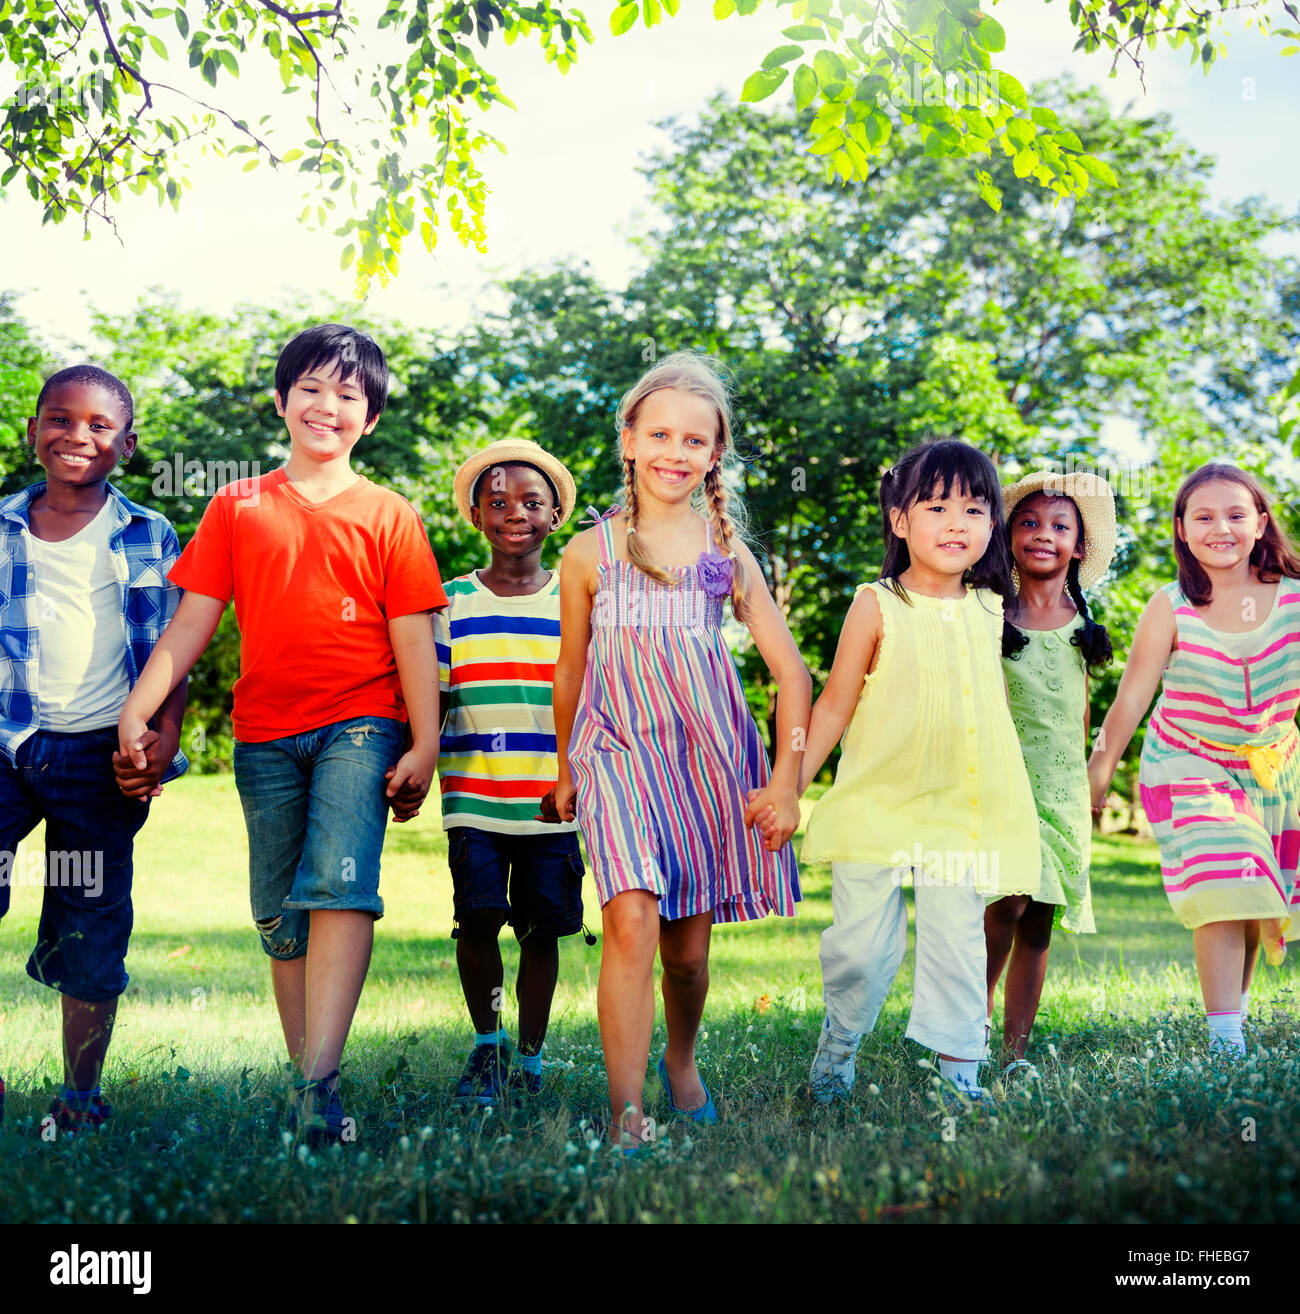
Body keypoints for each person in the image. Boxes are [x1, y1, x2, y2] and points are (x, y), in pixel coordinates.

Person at [118, 324, 446, 1142]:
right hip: (264, 734)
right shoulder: (238, 505)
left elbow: (413, 638)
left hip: (362, 725)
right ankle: (308, 1085)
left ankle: (321, 1084)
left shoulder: (391, 515)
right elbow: (193, 621)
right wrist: (142, 703)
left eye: (347, 395)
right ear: (280, 399)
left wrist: (425, 740)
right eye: (311, 388)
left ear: (368, 419)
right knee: (278, 910)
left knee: (339, 886)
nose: (326, 405)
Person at [546, 351, 808, 1149]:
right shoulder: (588, 553)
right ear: (627, 439)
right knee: (629, 917)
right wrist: (566, 763)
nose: (675, 450)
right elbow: (571, 665)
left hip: (707, 761)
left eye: (695, 440)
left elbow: (792, 675)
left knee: (687, 958)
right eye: (658, 432)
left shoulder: (724, 554)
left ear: (714, 455)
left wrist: (788, 782)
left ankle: (682, 1059)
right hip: (616, 752)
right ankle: (627, 1113)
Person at [796, 439, 1041, 1106]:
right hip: (879, 802)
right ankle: (837, 1052)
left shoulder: (994, 609)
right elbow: (834, 704)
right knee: (861, 952)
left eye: (973, 507)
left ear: (993, 525)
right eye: (936, 506)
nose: (956, 522)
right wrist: (787, 788)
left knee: (957, 941)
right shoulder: (876, 603)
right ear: (900, 520)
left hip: (959, 807)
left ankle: (959, 1079)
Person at [0, 364, 188, 1132]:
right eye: (60, 419)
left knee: (90, 919)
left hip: (99, 759)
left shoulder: (147, 533)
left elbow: (173, 644)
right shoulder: (5, 524)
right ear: (35, 429)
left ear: (128, 445)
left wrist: (163, 735)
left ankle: (79, 1097)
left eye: (98, 426)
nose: (77, 436)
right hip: (8, 746)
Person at [1088, 463, 1300, 1058]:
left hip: (1272, 767)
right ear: (1181, 529)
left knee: (1257, 894)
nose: (1220, 528)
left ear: (1260, 524)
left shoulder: (1293, 599)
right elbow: (1132, 696)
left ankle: (1237, 1015)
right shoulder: (1171, 605)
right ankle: (1225, 1042)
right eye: (1203, 517)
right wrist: (1098, 775)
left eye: (1235, 515)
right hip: (1188, 762)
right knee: (1227, 874)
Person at [435, 439, 586, 1104]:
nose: (514, 512)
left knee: (541, 929)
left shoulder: (578, 603)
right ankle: (486, 1045)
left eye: (531, 501)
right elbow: (432, 696)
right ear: (476, 516)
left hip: (553, 800)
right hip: (474, 796)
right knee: (478, 919)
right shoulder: (448, 602)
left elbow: (596, 699)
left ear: (555, 516)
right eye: (498, 502)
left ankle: (530, 1055)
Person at [988, 470, 1116, 1077]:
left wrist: (1096, 776)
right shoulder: (990, 615)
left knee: (1039, 916)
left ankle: (1015, 1050)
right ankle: (965, 1028)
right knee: (1005, 902)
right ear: (1009, 536)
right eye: (1029, 522)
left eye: (1059, 526)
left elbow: (1081, 710)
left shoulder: (1080, 628)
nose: (1044, 534)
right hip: (1002, 785)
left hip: (1061, 788)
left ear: (1079, 545)